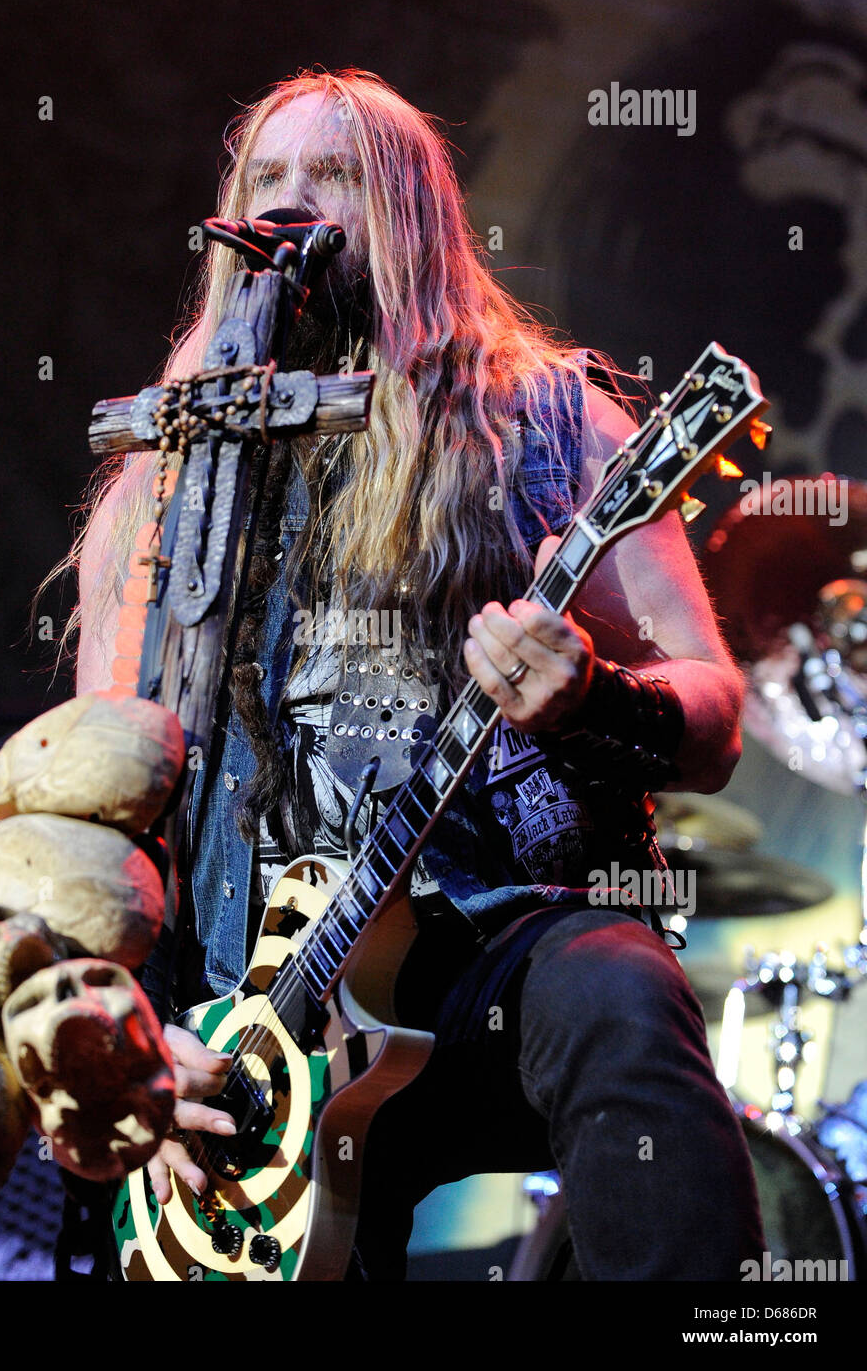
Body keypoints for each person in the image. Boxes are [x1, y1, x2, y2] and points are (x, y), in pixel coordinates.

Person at [72, 67, 765, 1279]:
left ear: (409, 216)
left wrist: (593, 694)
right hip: (264, 1005)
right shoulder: (165, 481)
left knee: (619, 994)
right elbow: (93, 804)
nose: (294, 205)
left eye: (334, 176)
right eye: (267, 179)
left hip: (499, 948)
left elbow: (710, 713)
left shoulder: (550, 420)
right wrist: (129, 1028)